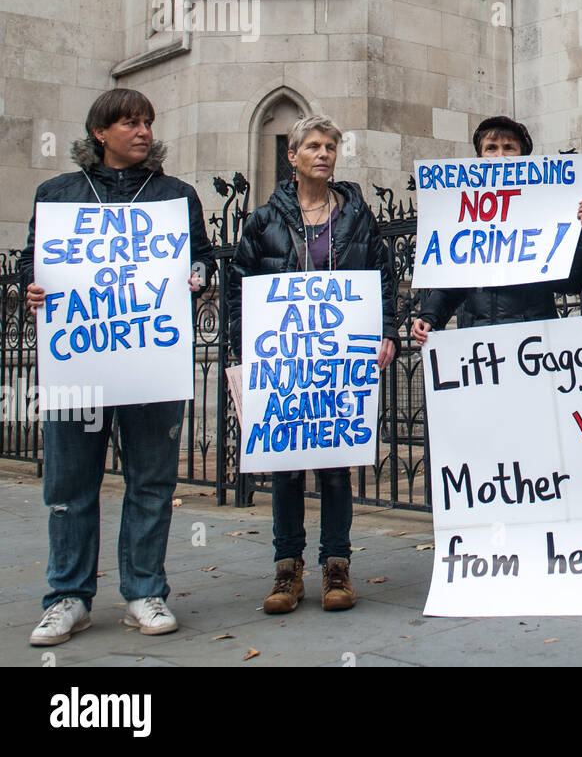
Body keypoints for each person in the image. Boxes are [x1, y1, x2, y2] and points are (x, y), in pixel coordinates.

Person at [21, 88, 215, 646]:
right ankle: (67, 598)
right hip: (79, 363)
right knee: (68, 483)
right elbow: (38, 261)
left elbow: (198, 257)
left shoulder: (175, 196)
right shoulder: (57, 194)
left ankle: (143, 591)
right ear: (100, 132)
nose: (144, 132)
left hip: (151, 365)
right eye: (131, 122)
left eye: (148, 122)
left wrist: (199, 278)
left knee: (151, 482)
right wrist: (35, 289)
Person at [228, 115, 397, 615]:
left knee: (335, 468)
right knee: (284, 467)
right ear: (292, 156)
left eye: (331, 146)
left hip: (338, 360)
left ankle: (337, 564)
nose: (324, 154)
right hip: (284, 360)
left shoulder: (356, 216)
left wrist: (386, 330)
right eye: (314, 147)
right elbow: (241, 285)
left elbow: (382, 276)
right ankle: (287, 570)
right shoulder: (263, 220)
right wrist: (247, 343)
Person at [411, 116, 582, 343]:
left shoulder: (547, 210)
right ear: (480, 157)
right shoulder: (464, 214)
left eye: (509, 147)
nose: (500, 156)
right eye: (491, 148)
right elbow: (453, 281)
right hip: (480, 339)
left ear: (523, 155)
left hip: (534, 338)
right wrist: (429, 315)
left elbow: (568, 284)